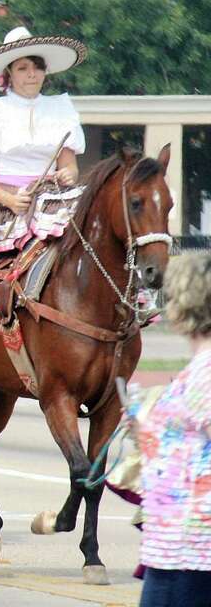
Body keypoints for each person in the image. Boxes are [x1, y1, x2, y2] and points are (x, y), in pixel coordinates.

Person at [0, 27, 86, 259]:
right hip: (5, 202)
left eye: (37, 67)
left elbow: (70, 165)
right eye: (22, 68)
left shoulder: (60, 109)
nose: (31, 74)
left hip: (53, 200)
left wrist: (68, 175)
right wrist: (10, 200)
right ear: (9, 73)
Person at [127, 252, 211, 605]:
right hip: (175, 546)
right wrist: (145, 429)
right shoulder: (199, 368)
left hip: (192, 550)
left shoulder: (206, 373)